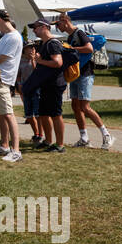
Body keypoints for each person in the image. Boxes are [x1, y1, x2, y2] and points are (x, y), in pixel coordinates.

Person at [54, 12, 115, 150]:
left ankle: (106, 135)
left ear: (65, 21)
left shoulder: (79, 33)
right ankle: (84, 138)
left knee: (85, 107)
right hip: (76, 74)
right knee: (76, 107)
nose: (58, 28)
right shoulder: (70, 37)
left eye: (58, 24)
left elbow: (89, 48)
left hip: (85, 74)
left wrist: (71, 48)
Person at [0, 10, 23, 161]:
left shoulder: (13, 37)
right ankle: (4, 146)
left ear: (1, 20)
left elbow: (1, 58)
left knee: (8, 114)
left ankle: (16, 150)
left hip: (3, 80)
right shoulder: (6, 37)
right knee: (1, 114)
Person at [28, 18, 67, 152]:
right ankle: (48, 141)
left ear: (45, 27)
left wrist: (40, 60)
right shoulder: (44, 44)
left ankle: (60, 145)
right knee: (44, 113)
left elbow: (58, 63)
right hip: (46, 83)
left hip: (55, 83)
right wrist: (37, 61)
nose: (34, 30)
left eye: (36, 27)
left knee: (56, 114)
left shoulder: (52, 44)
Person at [19, 39, 44, 147]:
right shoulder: (21, 60)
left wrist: (34, 60)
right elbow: (19, 74)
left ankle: (41, 135)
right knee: (29, 114)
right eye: (29, 48)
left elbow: (38, 73)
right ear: (24, 50)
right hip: (26, 88)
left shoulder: (38, 59)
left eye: (33, 48)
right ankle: (36, 133)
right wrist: (19, 84)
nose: (32, 50)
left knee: (38, 114)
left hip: (37, 89)